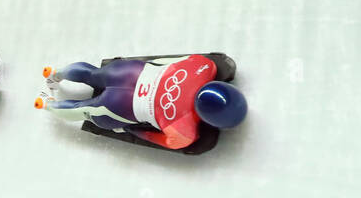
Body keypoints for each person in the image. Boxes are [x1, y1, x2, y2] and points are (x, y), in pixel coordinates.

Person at [36, 54, 246, 151]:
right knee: (84, 110)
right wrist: (129, 128)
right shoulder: (185, 130)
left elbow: (170, 61)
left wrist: (152, 68)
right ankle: (47, 104)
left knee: (93, 73)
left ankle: (56, 73)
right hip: (122, 105)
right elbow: (153, 138)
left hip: (131, 73)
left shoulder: (204, 66)